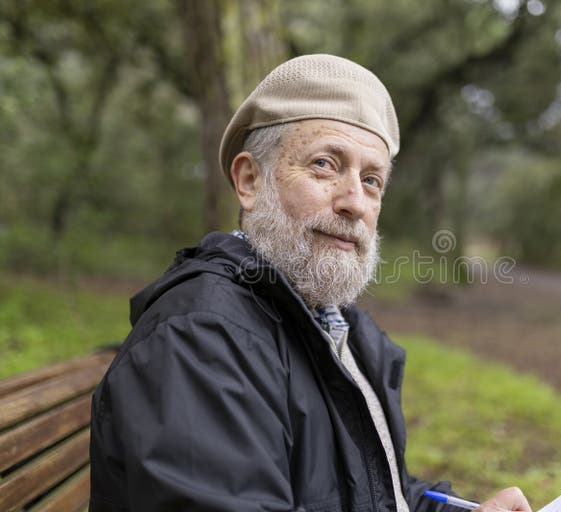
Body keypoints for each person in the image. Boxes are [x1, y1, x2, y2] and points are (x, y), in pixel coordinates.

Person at [89, 54, 531, 512]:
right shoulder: (201, 339)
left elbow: (379, 493)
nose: (354, 202)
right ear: (250, 181)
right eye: (324, 164)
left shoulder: (340, 328)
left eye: (372, 180)